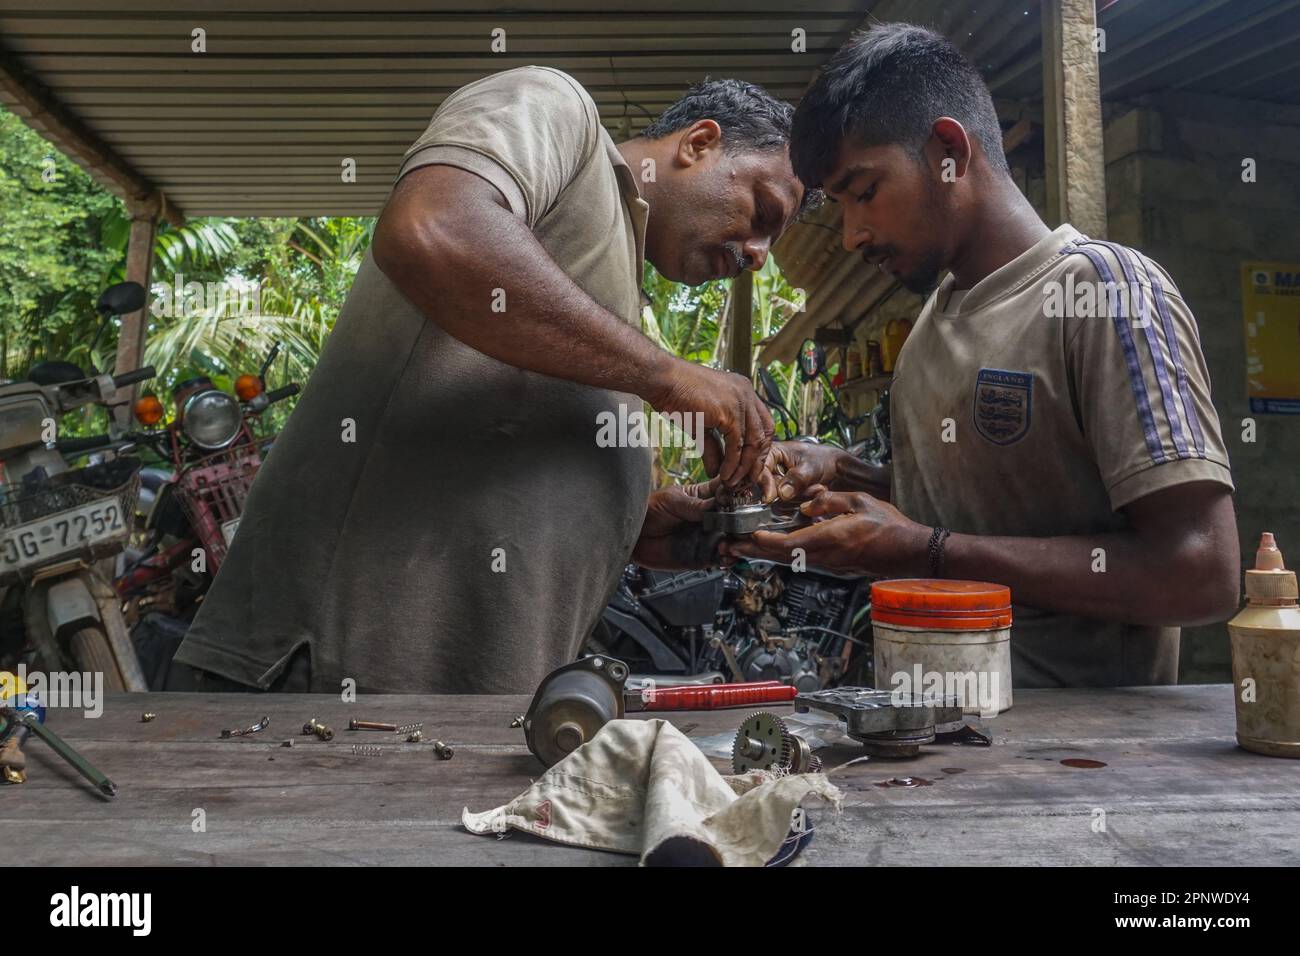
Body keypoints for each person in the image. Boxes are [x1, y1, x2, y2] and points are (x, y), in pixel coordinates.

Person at [170, 67, 810, 693]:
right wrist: (666, 375)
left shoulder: (612, 290)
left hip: (449, 696)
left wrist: (636, 529)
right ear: (700, 144)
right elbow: (431, 228)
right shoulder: (557, 109)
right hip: (336, 672)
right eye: (762, 210)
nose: (758, 255)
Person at [725, 24, 1240, 687]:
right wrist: (845, 474)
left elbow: (1200, 572)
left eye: (865, 190)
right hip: (931, 736)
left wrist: (921, 552)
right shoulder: (933, 322)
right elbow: (978, 512)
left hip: (1073, 760)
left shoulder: (1105, 293)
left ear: (948, 151)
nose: (852, 234)